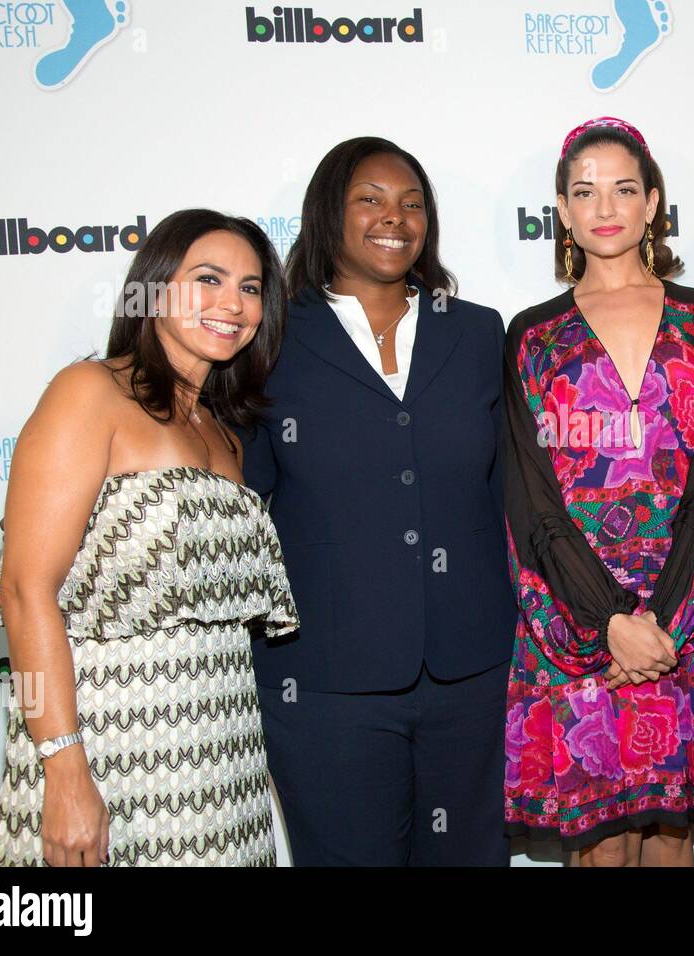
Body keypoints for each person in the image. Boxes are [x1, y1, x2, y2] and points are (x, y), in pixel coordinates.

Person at [0, 209, 298, 866]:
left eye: (249, 288)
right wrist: (63, 768)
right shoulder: (90, 393)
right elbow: (23, 590)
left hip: (223, 761)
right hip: (108, 749)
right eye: (208, 278)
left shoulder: (223, 433)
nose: (231, 304)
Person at [238, 137, 514, 866]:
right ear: (330, 213)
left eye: (412, 203)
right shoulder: (268, 337)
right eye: (371, 199)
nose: (395, 217)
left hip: (471, 673)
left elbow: (505, 497)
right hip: (324, 683)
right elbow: (244, 505)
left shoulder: (479, 331)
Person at [502, 117, 694, 866]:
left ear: (653, 203)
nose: (605, 206)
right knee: (601, 850)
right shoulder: (531, 336)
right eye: (584, 192)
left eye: (623, 188)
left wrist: (665, 624)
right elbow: (531, 505)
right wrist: (609, 622)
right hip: (579, 624)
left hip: (688, 617)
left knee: (669, 841)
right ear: (562, 210)